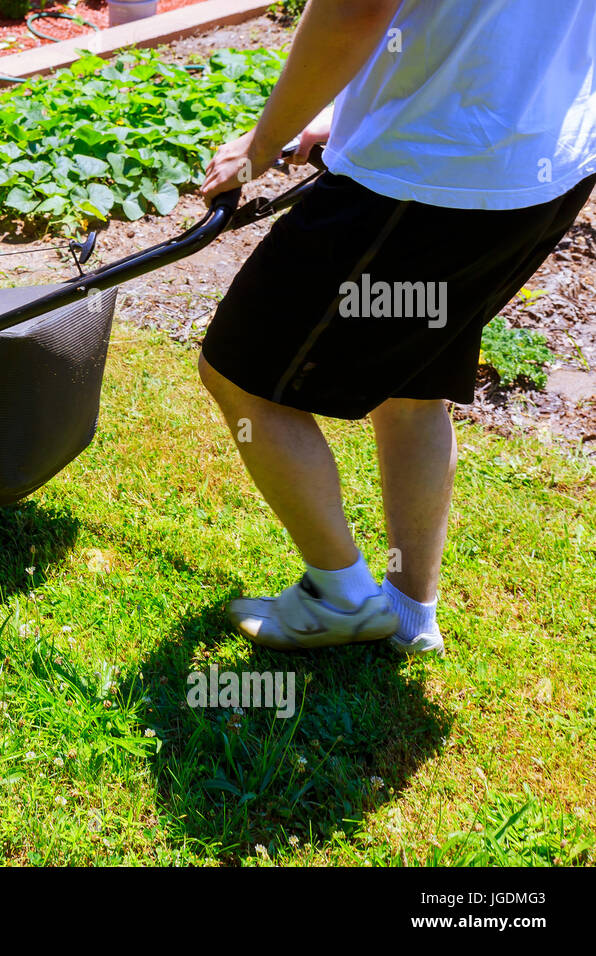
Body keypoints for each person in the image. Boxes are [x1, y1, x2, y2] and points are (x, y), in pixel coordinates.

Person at [197, 0, 596, 654]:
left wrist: (260, 146)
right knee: (411, 390)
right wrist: (370, 103)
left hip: (429, 175)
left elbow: (356, 9)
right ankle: (411, 618)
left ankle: (341, 597)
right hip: (539, 162)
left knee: (240, 376)